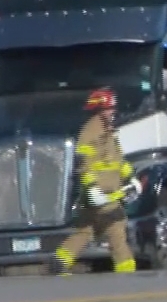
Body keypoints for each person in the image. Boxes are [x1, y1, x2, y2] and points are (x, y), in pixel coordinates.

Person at [55, 87, 138, 275]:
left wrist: (131, 177)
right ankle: (127, 273)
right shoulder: (91, 133)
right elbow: (85, 164)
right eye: (109, 108)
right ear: (99, 110)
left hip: (107, 192)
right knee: (116, 228)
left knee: (86, 231)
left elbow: (118, 161)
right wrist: (92, 188)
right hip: (101, 193)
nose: (113, 112)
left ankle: (59, 261)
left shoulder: (108, 132)